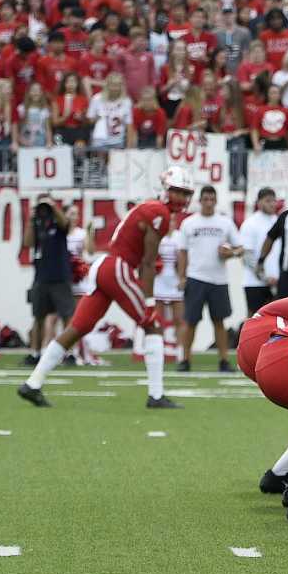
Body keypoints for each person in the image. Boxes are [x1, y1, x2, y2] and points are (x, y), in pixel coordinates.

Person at [18, 167, 196, 409]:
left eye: (185, 194)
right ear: (166, 190)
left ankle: (33, 383)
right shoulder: (159, 213)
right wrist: (150, 302)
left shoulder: (152, 208)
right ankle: (156, 395)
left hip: (106, 267)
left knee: (77, 328)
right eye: (178, 192)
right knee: (152, 326)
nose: (182, 199)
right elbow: (147, 263)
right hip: (117, 268)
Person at [173, 184, 239, 373]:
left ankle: (224, 361)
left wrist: (230, 253)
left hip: (219, 279)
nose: (209, 203)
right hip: (196, 277)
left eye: (212, 199)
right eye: (206, 199)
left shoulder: (225, 223)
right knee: (191, 321)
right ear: (200, 201)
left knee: (219, 322)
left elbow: (240, 247)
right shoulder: (189, 223)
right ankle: (185, 359)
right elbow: (183, 252)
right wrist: (182, 276)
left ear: (216, 201)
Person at [25, 200, 75, 355]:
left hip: (60, 277)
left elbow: (66, 225)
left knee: (67, 316)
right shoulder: (38, 225)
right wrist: (31, 220)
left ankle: (69, 353)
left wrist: (53, 207)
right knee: (38, 317)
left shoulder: (57, 225)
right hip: (41, 277)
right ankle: (35, 353)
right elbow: (28, 243)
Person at [239, 187, 281, 317]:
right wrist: (264, 277)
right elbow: (246, 255)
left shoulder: (280, 221)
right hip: (254, 282)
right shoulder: (250, 223)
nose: (272, 204)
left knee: (276, 323)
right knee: (254, 321)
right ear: (259, 202)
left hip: (277, 282)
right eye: (268, 201)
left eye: (274, 200)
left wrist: (279, 278)